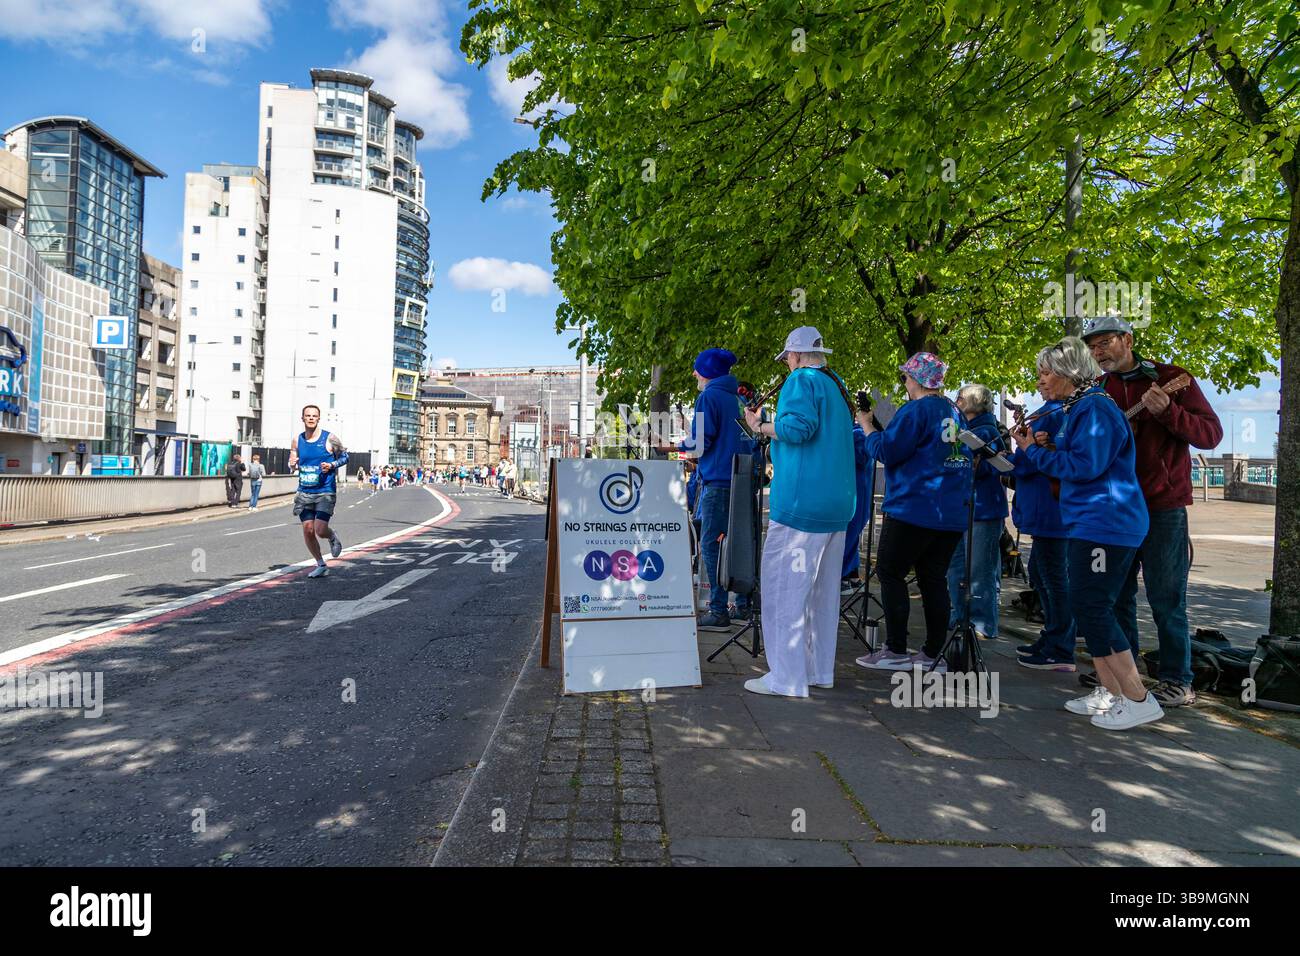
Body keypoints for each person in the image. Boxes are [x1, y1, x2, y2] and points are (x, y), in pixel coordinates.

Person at [1012, 336, 1161, 730]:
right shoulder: (1082, 406)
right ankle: (1110, 693)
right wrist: (1045, 446)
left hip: (1105, 523)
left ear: (1068, 373)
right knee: (1089, 607)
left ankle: (1138, 698)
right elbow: (1079, 459)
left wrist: (1034, 451)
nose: (1041, 379)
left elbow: (1084, 466)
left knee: (1093, 608)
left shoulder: (1093, 407)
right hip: (1095, 522)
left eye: (1046, 372)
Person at [1082, 316, 1224, 708]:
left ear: (1128, 339)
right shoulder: (1098, 389)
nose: (1098, 352)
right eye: (1093, 347)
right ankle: (1127, 678)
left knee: (1166, 596)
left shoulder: (1172, 378)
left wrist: (1167, 413)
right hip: (1116, 508)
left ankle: (1178, 679)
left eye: (1105, 343)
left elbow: (1210, 435)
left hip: (1162, 506)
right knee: (1117, 595)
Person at [742, 326, 855, 697]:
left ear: (796, 355)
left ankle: (787, 678)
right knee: (822, 594)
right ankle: (818, 671)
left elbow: (797, 428)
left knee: (783, 589)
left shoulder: (800, 380)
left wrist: (761, 426)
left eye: (788, 357)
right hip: (837, 503)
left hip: (801, 503)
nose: (787, 363)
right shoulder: (836, 384)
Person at [856, 352, 968, 672]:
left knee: (890, 571)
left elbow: (887, 452)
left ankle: (895, 649)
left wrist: (866, 426)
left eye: (906, 377)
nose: (904, 382)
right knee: (934, 579)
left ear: (916, 380)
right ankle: (934, 653)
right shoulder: (954, 412)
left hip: (913, 507)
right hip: (949, 513)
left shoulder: (915, 410)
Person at [659, 347, 750, 633]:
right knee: (739, 543)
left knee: (711, 544)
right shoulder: (737, 398)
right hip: (742, 480)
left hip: (719, 482)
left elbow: (700, 443)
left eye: (698, 369)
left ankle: (718, 610)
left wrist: (672, 446)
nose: (694, 373)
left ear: (708, 371)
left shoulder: (708, 396)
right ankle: (743, 605)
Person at [1009, 395, 1077, 671]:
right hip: (1045, 509)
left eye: (1046, 373)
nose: (1040, 380)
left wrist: (1021, 449)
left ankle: (1060, 646)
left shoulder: (1053, 413)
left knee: (1053, 577)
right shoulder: (1052, 412)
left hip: (1048, 510)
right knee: (1040, 573)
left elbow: (1029, 462)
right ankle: (1052, 637)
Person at [945, 384, 1008, 641]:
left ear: (975, 402)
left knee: (980, 571)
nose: (957, 400)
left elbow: (990, 469)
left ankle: (982, 623)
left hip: (983, 509)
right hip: (966, 507)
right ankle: (960, 615)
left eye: (962, 396)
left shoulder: (987, 431)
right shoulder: (967, 428)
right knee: (958, 568)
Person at [288, 404, 348, 579]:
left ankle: (331, 536)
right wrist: (292, 465)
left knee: (320, 529)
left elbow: (345, 456)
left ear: (319, 418)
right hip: (304, 491)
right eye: (308, 415)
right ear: (303, 418)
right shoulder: (297, 440)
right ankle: (320, 564)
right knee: (307, 529)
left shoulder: (330, 438)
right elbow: (292, 462)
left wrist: (332, 465)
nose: (311, 418)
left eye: (315, 416)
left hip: (325, 490)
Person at [840, 408, 871, 594]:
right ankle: (852, 575)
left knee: (847, 536)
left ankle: (844, 577)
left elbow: (861, 457)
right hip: (856, 495)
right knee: (850, 537)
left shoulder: (856, 434)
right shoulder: (855, 433)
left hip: (855, 496)